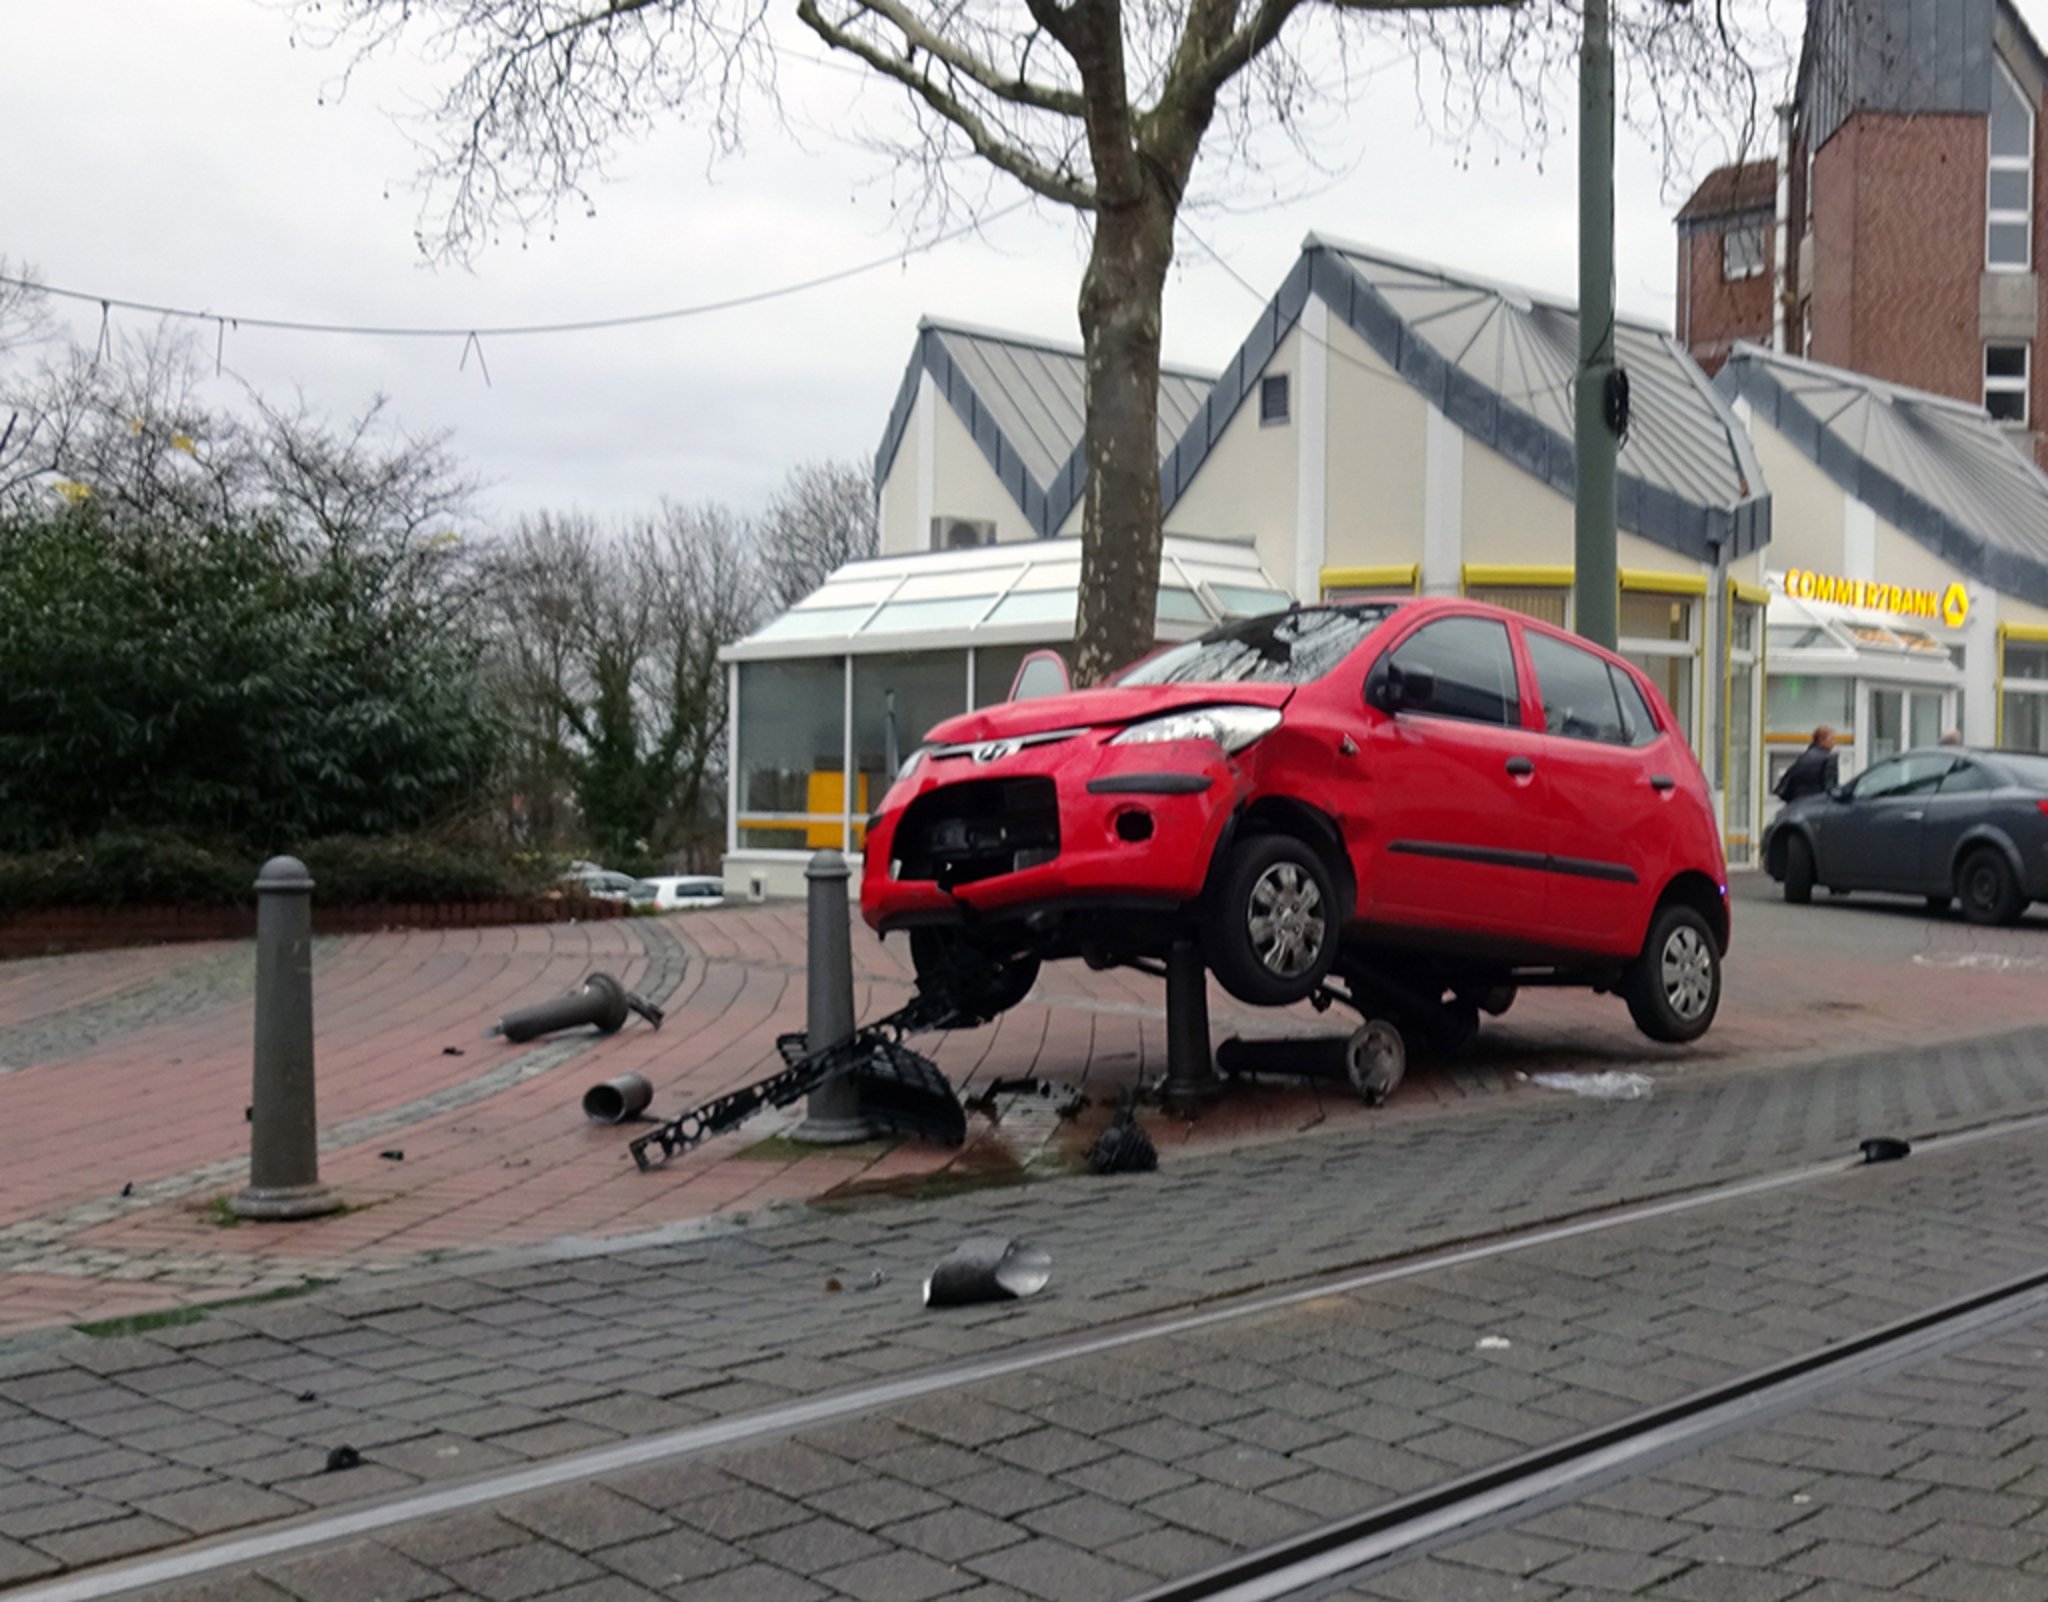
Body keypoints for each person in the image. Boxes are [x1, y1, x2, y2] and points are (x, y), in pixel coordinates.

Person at [1774, 725, 1839, 804]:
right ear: (1821, 740)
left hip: (1797, 803)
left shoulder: (1803, 757)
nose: (1834, 743)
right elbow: (1830, 786)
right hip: (1816, 804)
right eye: (1831, 739)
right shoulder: (1829, 758)